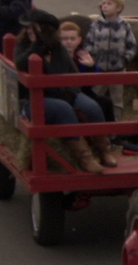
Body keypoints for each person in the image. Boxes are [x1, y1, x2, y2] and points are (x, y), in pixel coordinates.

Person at [14, 9, 112, 173]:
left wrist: (70, 93)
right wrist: (37, 46)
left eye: (35, 28)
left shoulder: (57, 49)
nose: (30, 30)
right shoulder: (24, 48)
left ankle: (104, 150)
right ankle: (85, 157)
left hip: (64, 93)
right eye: (29, 28)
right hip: (33, 99)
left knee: (93, 107)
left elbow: (73, 74)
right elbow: (21, 64)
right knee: (63, 109)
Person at [83, 0, 136, 115]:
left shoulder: (124, 26)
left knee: (117, 100)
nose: (104, 6)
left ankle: (116, 126)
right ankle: (95, 123)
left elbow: (132, 46)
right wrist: (92, 59)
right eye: (103, 3)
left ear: (119, 8)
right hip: (99, 69)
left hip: (117, 69)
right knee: (95, 97)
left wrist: (124, 60)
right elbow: (88, 43)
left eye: (109, 3)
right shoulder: (96, 25)